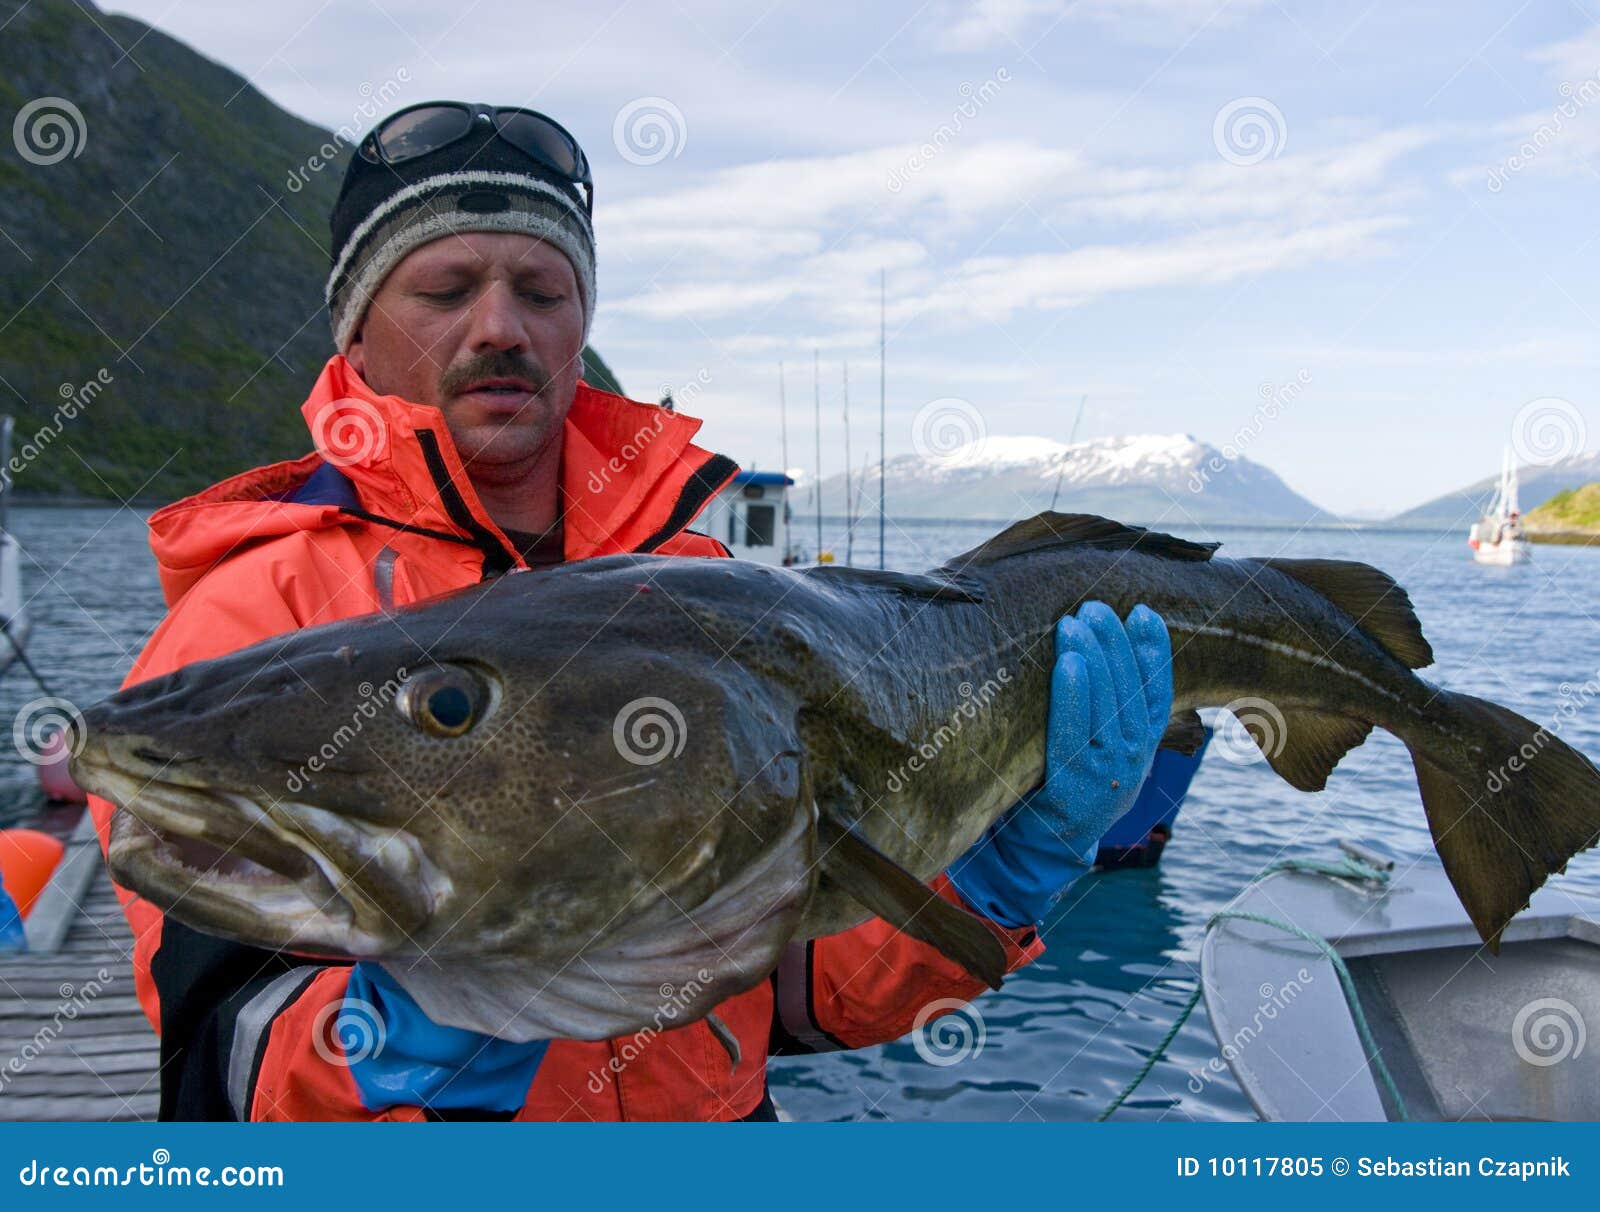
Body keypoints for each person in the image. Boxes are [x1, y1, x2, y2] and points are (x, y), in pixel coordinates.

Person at [86, 101, 1173, 1121]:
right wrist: (372, 1057)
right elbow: (219, 1067)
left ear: (579, 325)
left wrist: (987, 882)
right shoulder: (247, 616)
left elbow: (796, 996)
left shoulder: (702, 579)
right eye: (445, 288)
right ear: (355, 332)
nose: (499, 326)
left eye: (543, 292)